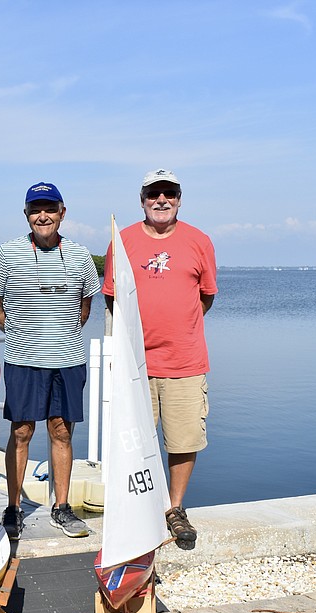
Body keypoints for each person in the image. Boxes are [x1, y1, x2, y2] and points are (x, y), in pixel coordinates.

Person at [102, 168, 217, 550]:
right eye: (154, 194)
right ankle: (135, 506)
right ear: (143, 200)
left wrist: (177, 326)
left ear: (180, 199)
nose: (162, 200)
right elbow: (111, 296)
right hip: (135, 364)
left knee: (182, 440)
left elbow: (206, 296)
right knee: (131, 441)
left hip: (184, 362)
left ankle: (174, 508)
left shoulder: (199, 241)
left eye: (169, 193)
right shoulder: (123, 240)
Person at [0, 182, 100, 540]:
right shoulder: (7, 255)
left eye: (50, 208)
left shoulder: (82, 256)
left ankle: (62, 508)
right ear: (26, 214)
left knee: (62, 432)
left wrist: (57, 335)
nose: (43, 215)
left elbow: (84, 309)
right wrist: (31, 336)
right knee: (21, 432)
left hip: (68, 360)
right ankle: (13, 508)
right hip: (23, 360)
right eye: (36, 209)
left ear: (62, 213)